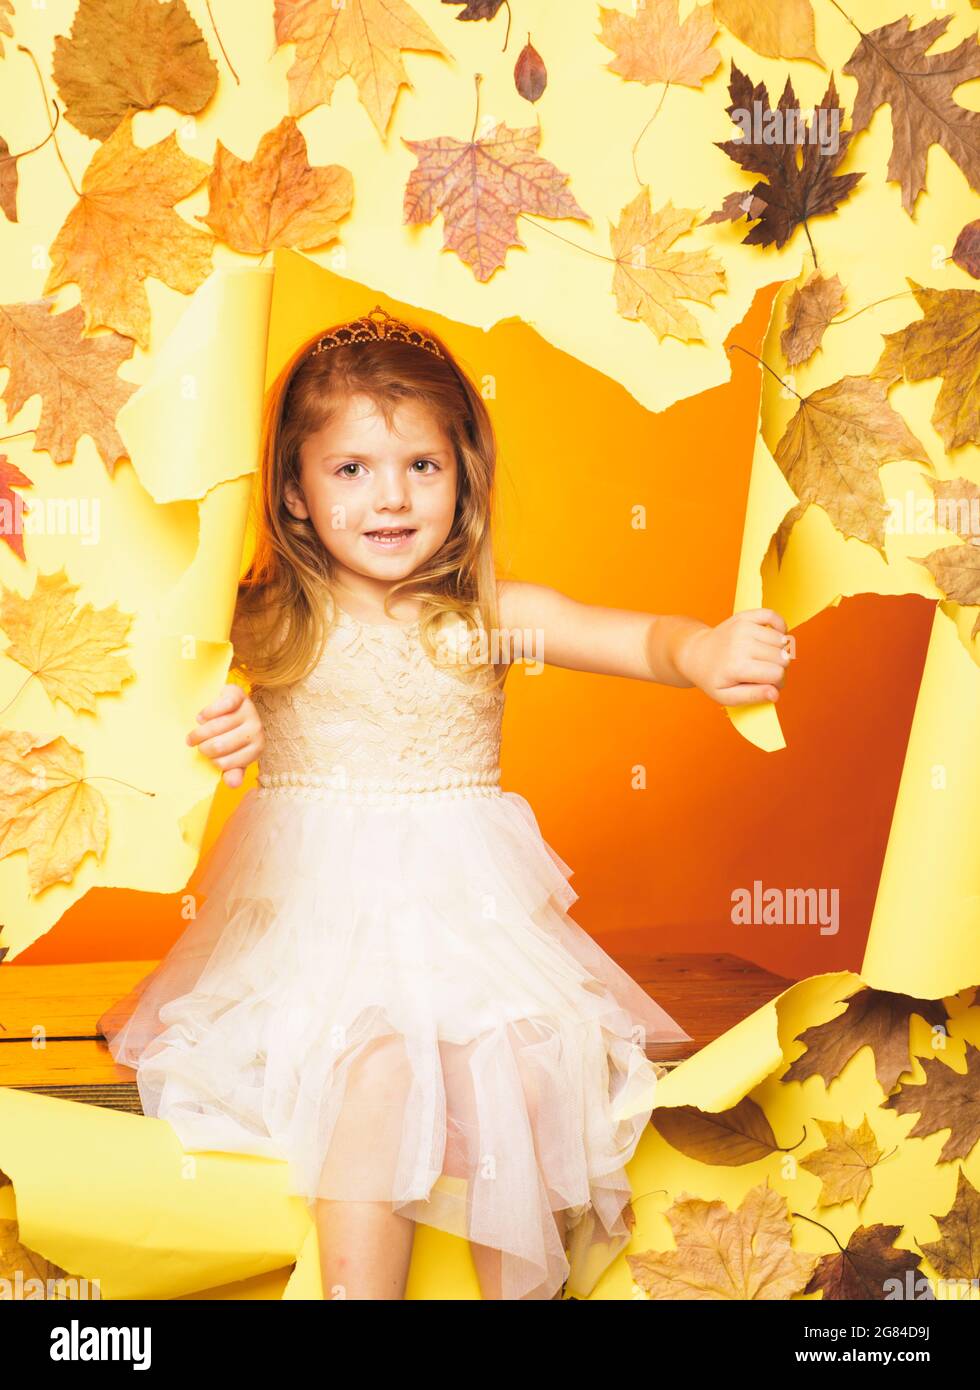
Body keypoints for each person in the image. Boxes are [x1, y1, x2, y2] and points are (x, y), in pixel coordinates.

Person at [98, 306, 792, 1301]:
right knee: (370, 1069)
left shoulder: (487, 615)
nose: (391, 497)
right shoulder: (258, 619)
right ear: (293, 492)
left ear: (463, 472)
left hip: (470, 930)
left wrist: (703, 652)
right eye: (351, 470)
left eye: (421, 465)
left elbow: (626, 637)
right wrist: (222, 727)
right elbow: (176, 702)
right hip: (311, 933)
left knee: (518, 1066)